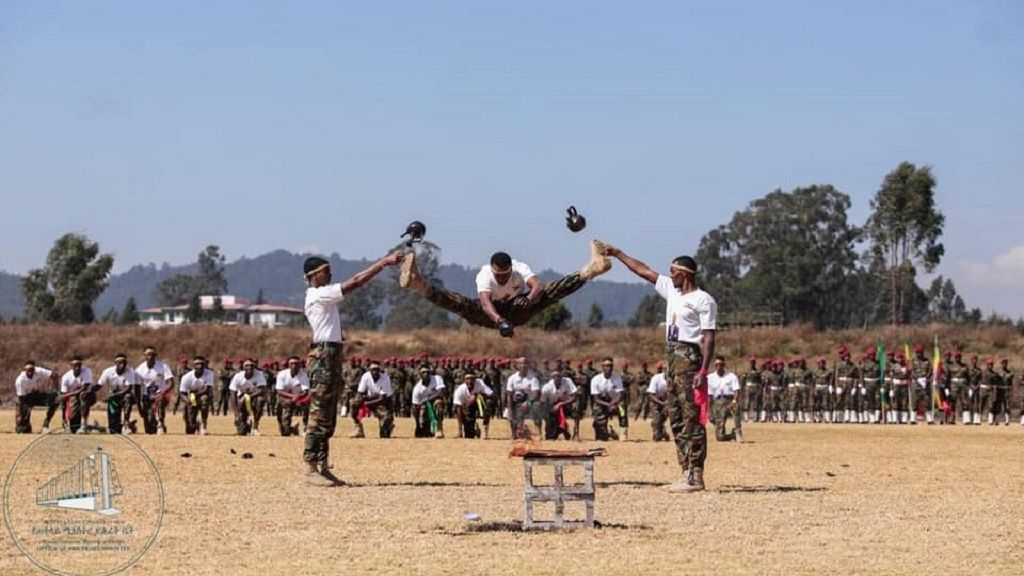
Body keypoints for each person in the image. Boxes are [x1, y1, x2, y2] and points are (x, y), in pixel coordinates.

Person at [599, 243, 716, 493]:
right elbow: (643, 271)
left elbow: (708, 337)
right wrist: (618, 253)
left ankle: (697, 475)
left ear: (685, 274)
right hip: (672, 358)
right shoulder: (673, 292)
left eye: (673, 272)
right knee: (675, 417)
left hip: (690, 358)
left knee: (692, 418)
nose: (669, 275)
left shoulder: (703, 300)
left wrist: (703, 371)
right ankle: (685, 472)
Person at [301, 251, 401, 485]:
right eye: (326, 271)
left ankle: (323, 465)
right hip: (323, 355)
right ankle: (310, 467)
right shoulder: (318, 294)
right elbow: (356, 281)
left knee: (327, 413)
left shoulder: (322, 295)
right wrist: (383, 262)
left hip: (331, 353)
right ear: (315, 276)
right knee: (319, 411)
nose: (331, 274)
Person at [398, 242, 611, 337]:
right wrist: (499, 321)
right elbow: (485, 302)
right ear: (492, 270)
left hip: (517, 309)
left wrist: (528, 299)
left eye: (505, 275)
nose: (501, 278)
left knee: (548, 294)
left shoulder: (519, 268)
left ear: (511, 269)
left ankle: (590, 271)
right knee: (461, 304)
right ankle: (419, 285)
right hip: (491, 314)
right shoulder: (484, 275)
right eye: (498, 275)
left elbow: (537, 285)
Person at [350, 360, 395, 439]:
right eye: (373, 370)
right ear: (370, 370)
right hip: (371, 398)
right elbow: (360, 392)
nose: (375, 372)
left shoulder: (385, 378)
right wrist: (360, 401)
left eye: (377, 369)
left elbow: (383, 399)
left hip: (384, 403)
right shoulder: (365, 376)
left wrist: (368, 403)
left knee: (384, 435)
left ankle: (389, 425)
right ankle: (358, 428)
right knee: (354, 403)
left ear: (379, 370)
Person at [136, 347, 175, 434]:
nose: (150, 357)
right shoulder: (139, 370)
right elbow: (137, 388)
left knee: (160, 400)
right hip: (147, 397)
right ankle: (155, 424)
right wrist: (139, 404)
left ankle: (160, 423)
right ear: (144, 356)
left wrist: (163, 392)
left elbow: (171, 383)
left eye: (152, 355)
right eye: (148, 355)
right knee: (150, 429)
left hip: (160, 395)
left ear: (155, 356)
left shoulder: (163, 366)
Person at [97, 353, 139, 434]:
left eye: (124, 362)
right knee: (114, 430)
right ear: (115, 363)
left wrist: (112, 396)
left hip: (123, 396)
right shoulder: (108, 372)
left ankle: (126, 424)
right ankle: (130, 425)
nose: (122, 365)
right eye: (119, 362)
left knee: (128, 397)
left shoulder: (130, 371)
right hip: (113, 398)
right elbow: (99, 385)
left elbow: (128, 389)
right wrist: (90, 390)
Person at [14, 361, 59, 433]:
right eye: (28, 370)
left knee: (55, 400)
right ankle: (23, 426)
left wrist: (55, 391)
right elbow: (21, 398)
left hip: (36, 394)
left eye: (32, 369)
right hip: (24, 397)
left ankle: (45, 425)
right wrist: (22, 414)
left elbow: (54, 375)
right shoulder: (20, 381)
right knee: (23, 428)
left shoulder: (39, 371)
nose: (30, 372)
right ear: (24, 370)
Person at [590, 357, 626, 441]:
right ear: (602, 367)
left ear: (612, 366)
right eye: (606, 366)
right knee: (601, 439)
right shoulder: (595, 379)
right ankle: (609, 433)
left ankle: (623, 433)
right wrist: (608, 405)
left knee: (623, 407)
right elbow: (596, 399)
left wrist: (614, 403)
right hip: (601, 403)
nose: (608, 368)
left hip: (614, 402)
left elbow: (620, 394)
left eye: (610, 366)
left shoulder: (617, 377)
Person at [708, 356, 742, 442]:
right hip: (718, 404)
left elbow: (736, 390)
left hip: (729, 401)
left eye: (721, 364)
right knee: (720, 437)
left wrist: (734, 400)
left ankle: (738, 432)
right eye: (717, 365)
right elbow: (710, 396)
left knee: (736, 406)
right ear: (715, 366)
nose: (719, 367)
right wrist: (709, 411)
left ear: (724, 365)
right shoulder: (710, 378)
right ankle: (732, 435)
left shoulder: (731, 376)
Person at [230, 358, 268, 436]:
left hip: (255, 398)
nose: (249, 367)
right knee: (241, 433)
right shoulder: (238, 376)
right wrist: (236, 415)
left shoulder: (259, 374)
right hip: (241, 400)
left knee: (261, 399)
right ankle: (246, 425)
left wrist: (250, 396)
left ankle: (255, 426)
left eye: (251, 365)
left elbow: (262, 390)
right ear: (243, 367)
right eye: (247, 365)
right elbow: (233, 394)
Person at [60, 357, 98, 434]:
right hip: (74, 398)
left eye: (79, 365)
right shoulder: (66, 377)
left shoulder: (87, 371)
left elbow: (84, 388)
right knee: (74, 429)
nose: (77, 368)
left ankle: (84, 423)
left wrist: (68, 394)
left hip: (88, 396)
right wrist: (63, 417)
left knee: (82, 395)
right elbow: (63, 397)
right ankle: (93, 426)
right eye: (75, 365)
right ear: (71, 366)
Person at [178, 356, 215, 435]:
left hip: (201, 395)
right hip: (190, 397)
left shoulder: (209, 374)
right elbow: (182, 393)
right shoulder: (186, 377)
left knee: (204, 399)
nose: (200, 366)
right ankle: (194, 423)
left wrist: (195, 396)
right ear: (194, 365)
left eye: (202, 364)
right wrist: (188, 401)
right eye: (197, 364)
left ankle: (203, 425)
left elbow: (207, 390)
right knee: (190, 429)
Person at [505, 357, 540, 439]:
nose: (523, 366)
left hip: (529, 402)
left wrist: (528, 402)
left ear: (528, 365)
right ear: (517, 365)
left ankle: (536, 431)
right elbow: (509, 395)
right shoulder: (512, 378)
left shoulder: (533, 378)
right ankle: (514, 433)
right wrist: (510, 409)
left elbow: (536, 394)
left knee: (536, 406)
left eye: (525, 363)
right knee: (510, 415)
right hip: (515, 402)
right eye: (521, 363)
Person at [453, 371, 495, 439]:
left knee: (489, 403)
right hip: (467, 407)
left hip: (480, 403)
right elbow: (458, 408)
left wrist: (477, 395)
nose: (470, 381)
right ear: (464, 380)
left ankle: (484, 428)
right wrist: (460, 430)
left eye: (472, 379)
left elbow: (491, 394)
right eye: (468, 379)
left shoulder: (480, 383)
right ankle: (475, 430)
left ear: (475, 379)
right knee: (469, 435)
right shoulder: (460, 390)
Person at [275, 356, 311, 436]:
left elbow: (305, 391)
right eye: (292, 363)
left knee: (307, 405)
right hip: (284, 398)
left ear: (300, 365)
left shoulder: (303, 375)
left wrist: (297, 397)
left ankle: (306, 427)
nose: (294, 365)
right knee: (285, 433)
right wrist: (291, 396)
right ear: (288, 365)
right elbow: (279, 391)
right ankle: (291, 428)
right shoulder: (282, 374)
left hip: (299, 398)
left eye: (296, 364)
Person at [540, 369, 577, 440]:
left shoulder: (568, 381)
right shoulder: (546, 388)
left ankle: (574, 433)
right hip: (552, 406)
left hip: (567, 404)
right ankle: (563, 429)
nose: (557, 378)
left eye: (559, 376)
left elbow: (574, 397)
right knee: (550, 436)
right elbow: (543, 402)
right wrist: (548, 412)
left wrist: (561, 404)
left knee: (576, 409)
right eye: (555, 376)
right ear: (552, 378)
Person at [411, 365, 447, 438]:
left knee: (439, 405)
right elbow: (415, 406)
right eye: (423, 372)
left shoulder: (437, 379)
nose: (426, 374)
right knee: (425, 430)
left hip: (436, 400)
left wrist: (428, 399)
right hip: (423, 405)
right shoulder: (417, 388)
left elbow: (441, 392)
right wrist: (417, 424)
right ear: (420, 375)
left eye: (427, 372)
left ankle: (439, 429)